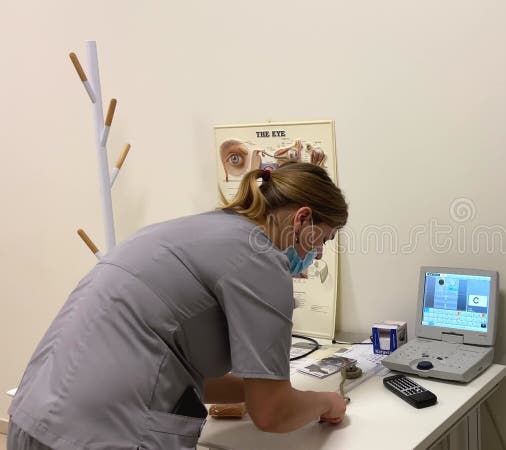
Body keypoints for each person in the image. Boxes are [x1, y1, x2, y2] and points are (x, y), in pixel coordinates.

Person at [7, 162, 349, 450]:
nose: (318, 254)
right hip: (103, 437)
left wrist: (265, 391)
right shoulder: (262, 257)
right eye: (324, 239)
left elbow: (183, 372)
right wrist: (324, 402)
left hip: (31, 422)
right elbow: (273, 415)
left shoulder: (188, 230)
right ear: (303, 219)